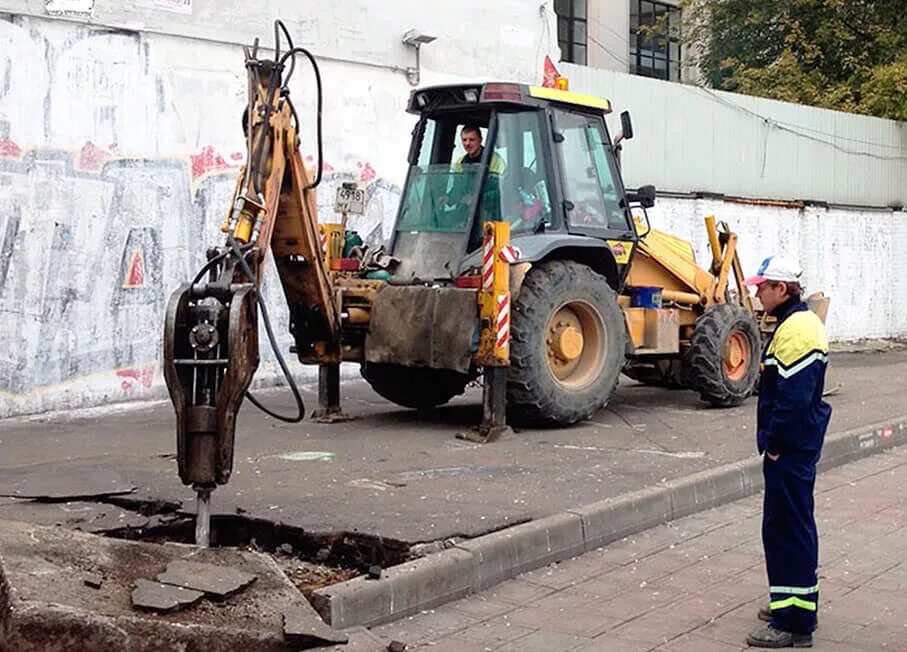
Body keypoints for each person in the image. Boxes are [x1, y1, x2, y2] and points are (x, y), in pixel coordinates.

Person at [744, 255, 832, 649]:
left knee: (786, 529)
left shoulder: (796, 330)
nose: (757, 292)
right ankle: (791, 603)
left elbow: (793, 401)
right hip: (797, 447)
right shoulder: (796, 324)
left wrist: (776, 446)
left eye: (763, 287)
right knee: (790, 526)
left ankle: (793, 624)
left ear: (782, 289)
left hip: (790, 450)